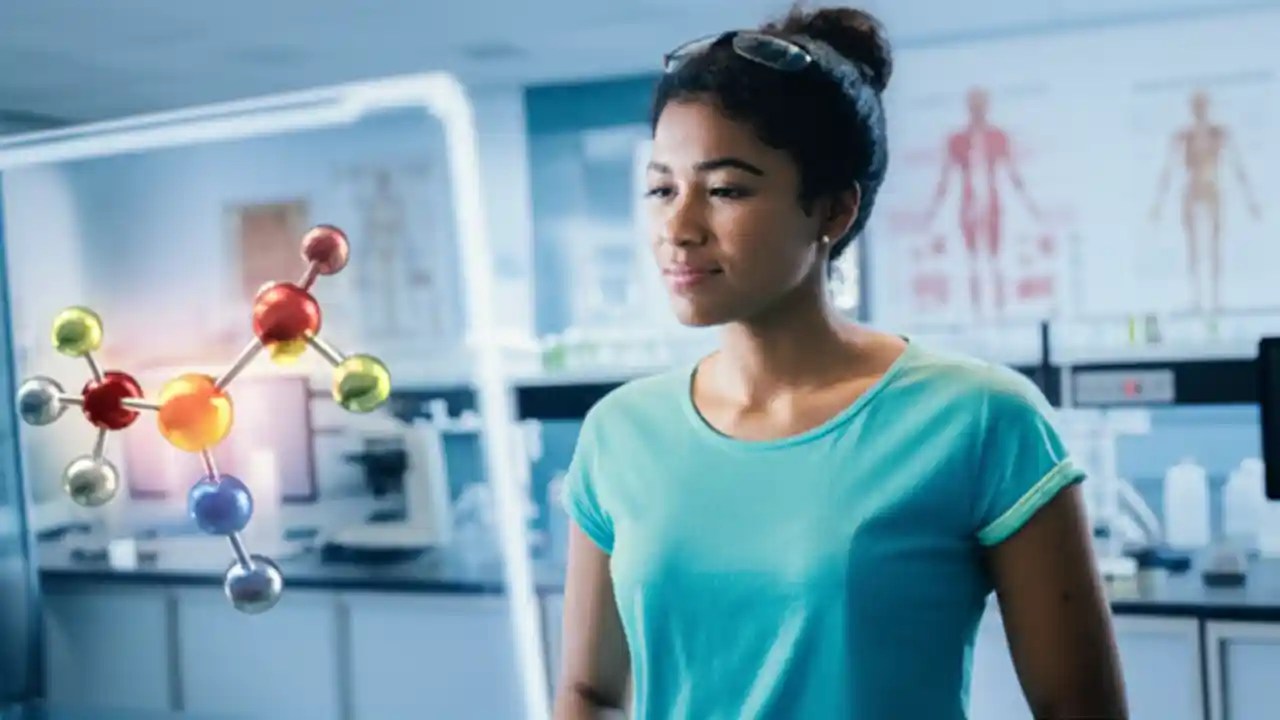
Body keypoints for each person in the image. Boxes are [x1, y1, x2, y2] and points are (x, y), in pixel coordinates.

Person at [553, 6, 1127, 720]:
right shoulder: (619, 433)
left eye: (726, 189)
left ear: (833, 210)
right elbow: (590, 693)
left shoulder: (978, 419)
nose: (678, 227)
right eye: (663, 188)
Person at [926, 86, 1041, 321]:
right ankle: (976, 312)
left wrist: (1031, 206)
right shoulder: (957, 139)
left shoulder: (998, 136)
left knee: (996, 258)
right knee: (971, 260)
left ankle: (1000, 310)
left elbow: (1012, 173)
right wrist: (931, 213)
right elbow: (946, 178)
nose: (978, 109)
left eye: (981, 104)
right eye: (973, 104)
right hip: (968, 203)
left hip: (992, 201)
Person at [1150, 89, 1262, 315]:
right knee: (1192, 247)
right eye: (1196, 104)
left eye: (1203, 104)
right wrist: (1158, 204)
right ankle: (1196, 298)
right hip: (1192, 190)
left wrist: (1251, 201)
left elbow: (1238, 166)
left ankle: (1217, 299)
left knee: (1215, 246)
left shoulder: (1219, 133)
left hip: (1212, 188)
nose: (1200, 108)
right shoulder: (1183, 135)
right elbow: (1168, 170)